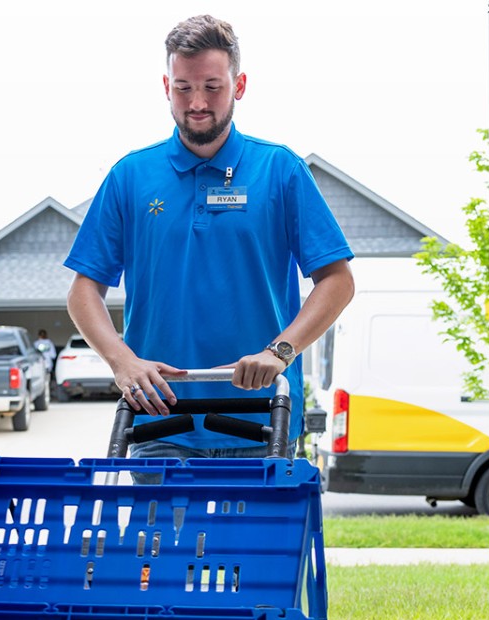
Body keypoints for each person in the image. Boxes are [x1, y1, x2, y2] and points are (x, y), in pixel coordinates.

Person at [64, 13, 355, 463]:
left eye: (212, 87)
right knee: (158, 539)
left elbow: (338, 280)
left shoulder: (280, 171)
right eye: (183, 88)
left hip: (262, 420)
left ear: (238, 86)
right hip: (158, 420)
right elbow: (84, 290)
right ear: (166, 86)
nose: (197, 102)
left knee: (256, 538)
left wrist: (279, 351)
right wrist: (121, 361)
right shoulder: (130, 177)